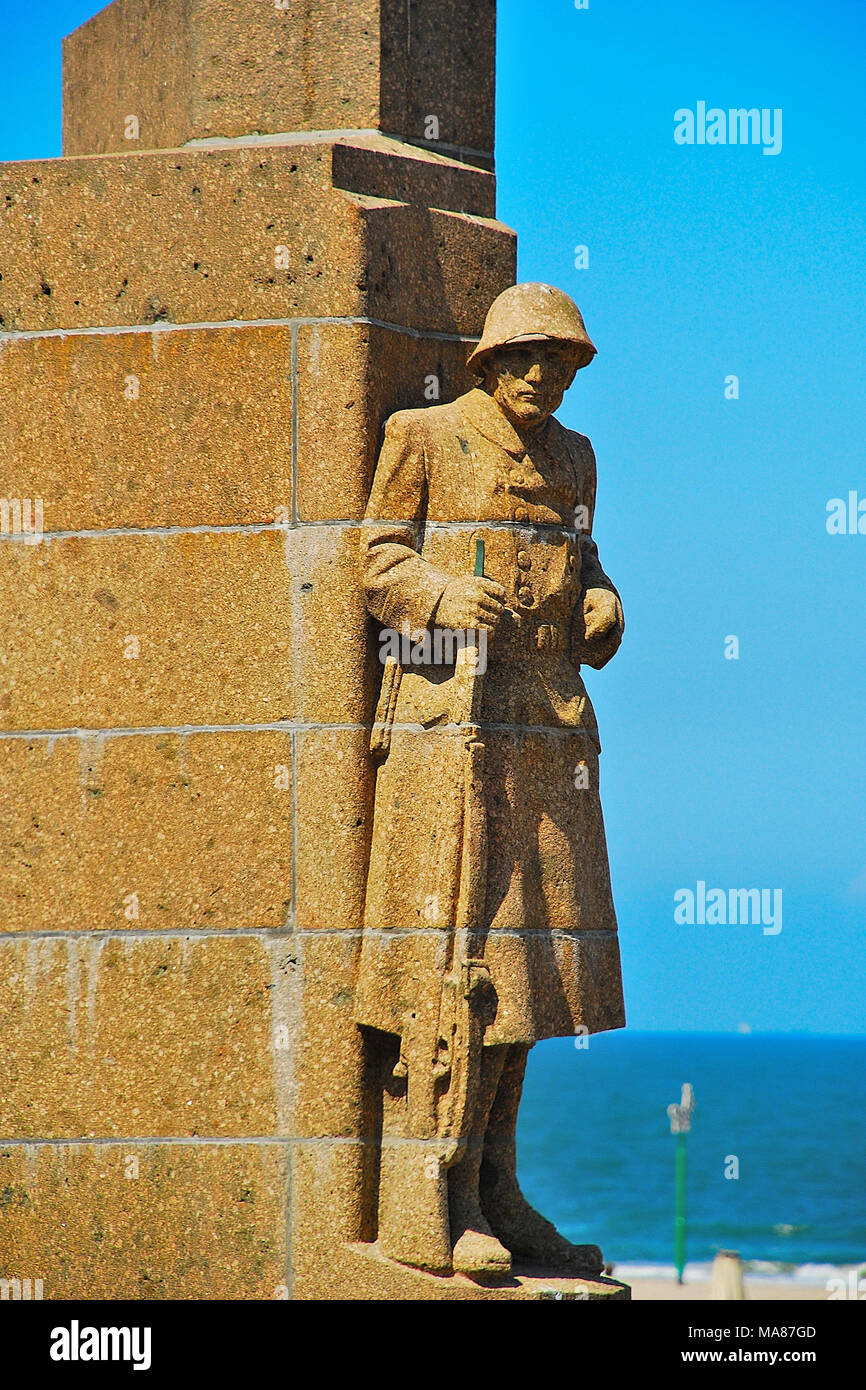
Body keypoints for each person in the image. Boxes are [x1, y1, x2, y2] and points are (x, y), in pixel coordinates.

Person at [356, 282, 625, 1278]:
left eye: (559, 365)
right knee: (457, 962)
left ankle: (500, 1185)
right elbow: (376, 560)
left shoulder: (573, 457)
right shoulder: (423, 435)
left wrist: (600, 603)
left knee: (533, 973)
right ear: (487, 361)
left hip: (545, 732)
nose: (542, 378)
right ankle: (445, 1188)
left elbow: (581, 555)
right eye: (526, 360)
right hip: (449, 729)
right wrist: (435, 592)